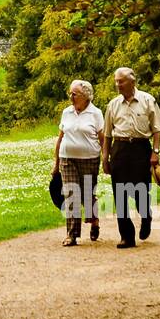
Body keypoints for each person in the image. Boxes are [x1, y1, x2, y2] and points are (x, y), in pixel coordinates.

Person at [102, 66, 160, 248]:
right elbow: (107, 134)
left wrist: (155, 152)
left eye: (121, 81)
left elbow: (157, 128)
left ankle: (146, 216)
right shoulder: (113, 105)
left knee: (140, 190)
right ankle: (126, 236)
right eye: (116, 81)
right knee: (119, 193)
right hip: (119, 149)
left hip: (140, 148)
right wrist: (105, 157)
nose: (118, 85)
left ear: (132, 81)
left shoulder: (147, 100)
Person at [52, 79, 103, 245]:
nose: (71, 97)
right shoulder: (66, 112)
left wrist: (106, 159)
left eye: (74, 94)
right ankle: (72, 234)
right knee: (71, 194)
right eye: (70, 94)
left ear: (85, 95)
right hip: (67, 159)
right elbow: (60, 138)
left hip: (90, 159)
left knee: (87, 195)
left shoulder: (95, 113)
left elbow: (102, 139)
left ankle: (94, 221)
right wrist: (56, 164)